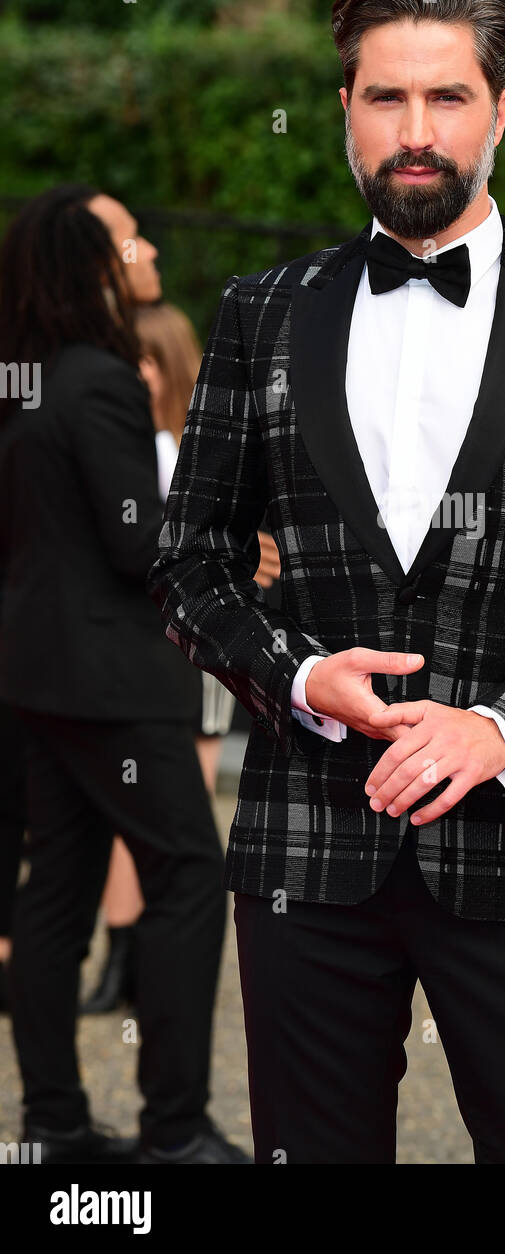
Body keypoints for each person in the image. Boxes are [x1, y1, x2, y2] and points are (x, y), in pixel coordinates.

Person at [148, 0, 505, 1165]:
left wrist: (500, 727)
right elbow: (188, 563)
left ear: (499, 111)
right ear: (343, 105)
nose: (416, 129)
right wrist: (295, 676)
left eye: (446, 97)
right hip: (308, 847)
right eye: (386, 96)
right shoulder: (260, 311)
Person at [0, 184, 249, 1164]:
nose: (142, 247)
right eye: (124, 237)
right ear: (88, 264)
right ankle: (175, 1128)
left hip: (35, 677)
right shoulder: (100, 380)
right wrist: (228, 541)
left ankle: (54, 1122)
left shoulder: (24, 378)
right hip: (113, 678)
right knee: (190, 875)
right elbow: (134, 541)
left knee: (53, 893)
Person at [80, 302, 280, 1015]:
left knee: (178, 816)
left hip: (192, 659)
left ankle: (143, 961)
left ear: (163, 364)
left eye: (139, 362)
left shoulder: (188, 446)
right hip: (158, 656)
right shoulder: (141, 442)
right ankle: (130, 957)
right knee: (154, 816)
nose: (127, 375)